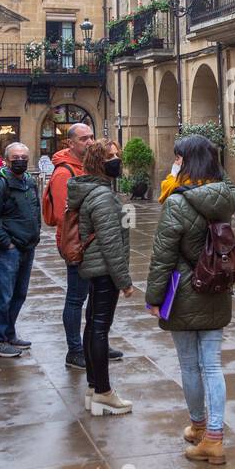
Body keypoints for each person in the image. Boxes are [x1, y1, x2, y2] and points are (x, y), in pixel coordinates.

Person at [144, 135, 235, 466]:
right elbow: (224, 184)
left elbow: (163, 255)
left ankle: (201, 428)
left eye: (178, 158)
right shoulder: (226, 198)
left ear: (185, 162)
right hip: (216, 287)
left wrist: (154, 297)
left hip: (184, 292)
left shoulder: (177, 202)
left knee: (189, 364)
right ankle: (214, 436)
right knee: (213, 364)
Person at [45, 122, 124, 369]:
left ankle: (95, 342)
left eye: (91, 137)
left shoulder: (90, 167)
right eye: (83, 139)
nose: (89, 142)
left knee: (95, 298)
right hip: (78, 246)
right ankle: (75, 350)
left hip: (93, 245)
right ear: (71, 143)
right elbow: (63, 216)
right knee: (76, 298)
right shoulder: (63, 173)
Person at [69, 141, 136, 415]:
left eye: (118, 155)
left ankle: (94, 386)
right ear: (99, 162)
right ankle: (104, 392)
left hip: (96, 269)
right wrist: (124, 281)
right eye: (111, 156)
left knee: (93, 324)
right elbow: (111, 243)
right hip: (104, 271)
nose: (117, 159)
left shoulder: (94, 191)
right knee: (99, 328)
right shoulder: (103, 197)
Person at [0, 141, 41, 358]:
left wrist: (36, 234)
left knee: (19, 294)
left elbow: (35, 210)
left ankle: (9, 333)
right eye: (16, 157)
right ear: (6, 159)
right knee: (4, 295)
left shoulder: (29, 182)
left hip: (27, 246)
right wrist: (6, 242)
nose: (20, 161)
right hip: (9, 249)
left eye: (24, 157)